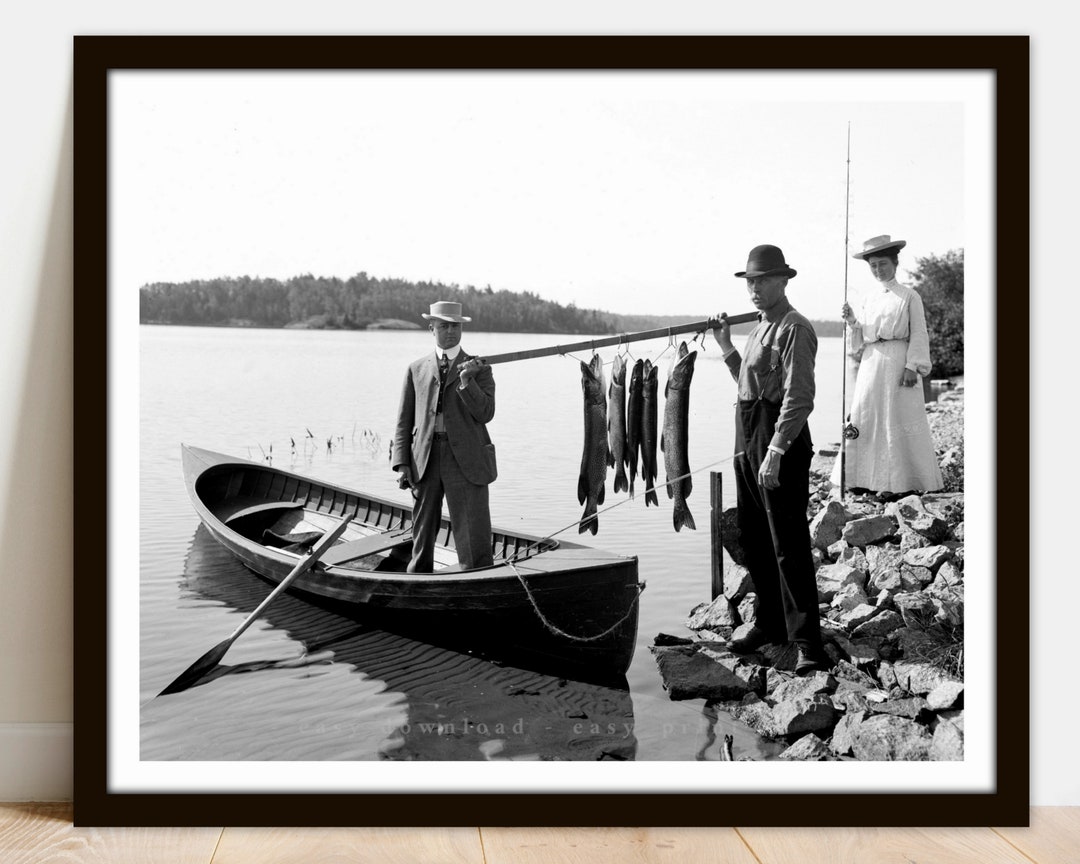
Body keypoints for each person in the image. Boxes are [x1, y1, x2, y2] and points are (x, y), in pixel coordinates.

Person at [713, 244, 829, 676]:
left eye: (762, 280)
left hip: (780, 441)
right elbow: (748, 383)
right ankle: (769, 624)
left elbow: (799, 397)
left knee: (788, 543)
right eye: (750, 281)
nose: (755, 288)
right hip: (748, 436)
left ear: (783, 281)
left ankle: (808, 643)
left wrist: (776, 451)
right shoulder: (759, 326)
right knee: (754, 535)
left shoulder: (795, 327)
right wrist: (726, 346)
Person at [831, 235, 944, 495]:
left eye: (882, 264)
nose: (878, 270)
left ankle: (904, 483)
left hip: (898, 360)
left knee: (897, 416)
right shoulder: (869, 298)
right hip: (871, 362)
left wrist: (912, 366)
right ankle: (861, 479)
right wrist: (853, 322)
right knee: (865, 414)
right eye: (873, 266)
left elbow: (919, 332)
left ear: (894, 263)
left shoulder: (909, 296)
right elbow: (861, 337)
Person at [391, 300, 497, 572]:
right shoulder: (416, 369)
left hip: (467, 460)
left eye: (455, 326)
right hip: (424, 460)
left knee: (473, 532)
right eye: (444, 326)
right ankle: (418, 580)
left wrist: (467, 381)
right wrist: (401, 463)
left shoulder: (480, 369)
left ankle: (475, 579)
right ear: (432, 328)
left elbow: (486, 413)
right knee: (422, 530)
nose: (450, 331)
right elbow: (404, 421)